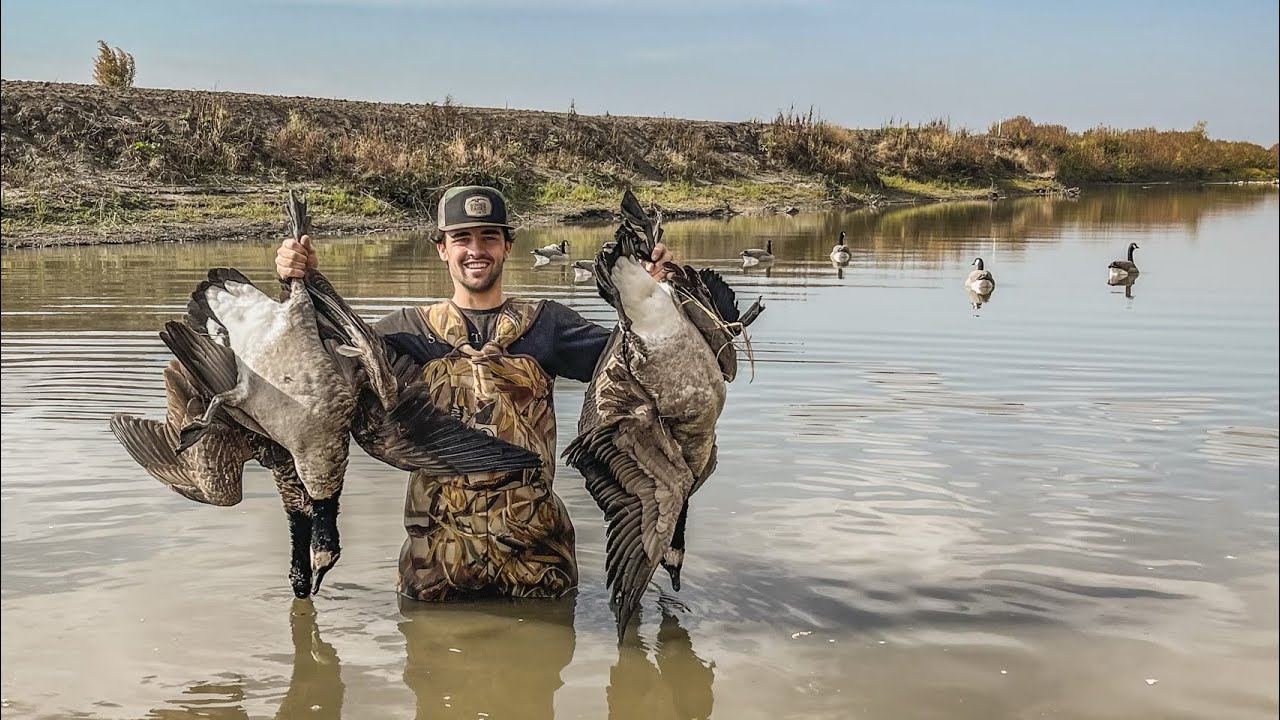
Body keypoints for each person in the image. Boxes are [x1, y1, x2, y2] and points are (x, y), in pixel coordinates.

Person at [274, 185, 674, 602]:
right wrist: (296, 281)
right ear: (442, 249)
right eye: (461, 238)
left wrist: (656, 294)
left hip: (539, 566)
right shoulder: (404, 333)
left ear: (507, 247)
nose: (475, 250)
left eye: (488, 238)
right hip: (433, 569)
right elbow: (309, 369)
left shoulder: (547, 325)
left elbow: (646, 365)